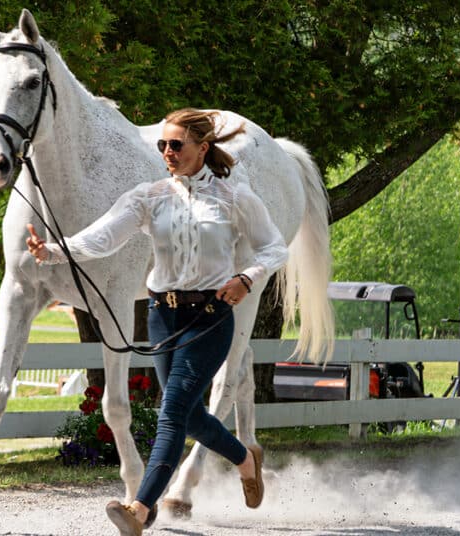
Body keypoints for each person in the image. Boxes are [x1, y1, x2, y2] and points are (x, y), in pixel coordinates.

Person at [26, 108, 287, 536]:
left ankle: (141, 509)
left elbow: (274, 248)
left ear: (202, 149)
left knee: (171, 413)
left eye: (176, 145)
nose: (167, 152)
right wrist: (53, 251)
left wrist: (246, 278)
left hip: (209, 317)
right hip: (162, 316)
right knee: (189, 416)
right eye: (162, 145)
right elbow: (104, 235)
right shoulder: (150, 196)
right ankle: (245, 458)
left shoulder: (235, 197)